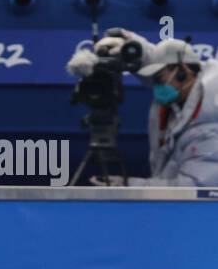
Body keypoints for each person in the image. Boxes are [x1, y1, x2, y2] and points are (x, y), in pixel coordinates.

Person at [86, 32, 218, 187]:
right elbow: (162, 66)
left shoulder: (210, 125)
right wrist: (136, 50)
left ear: (183, 71)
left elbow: (194, 188)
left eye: (158, 79)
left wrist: (128, 186)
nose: (156, 86)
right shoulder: (182, 97)